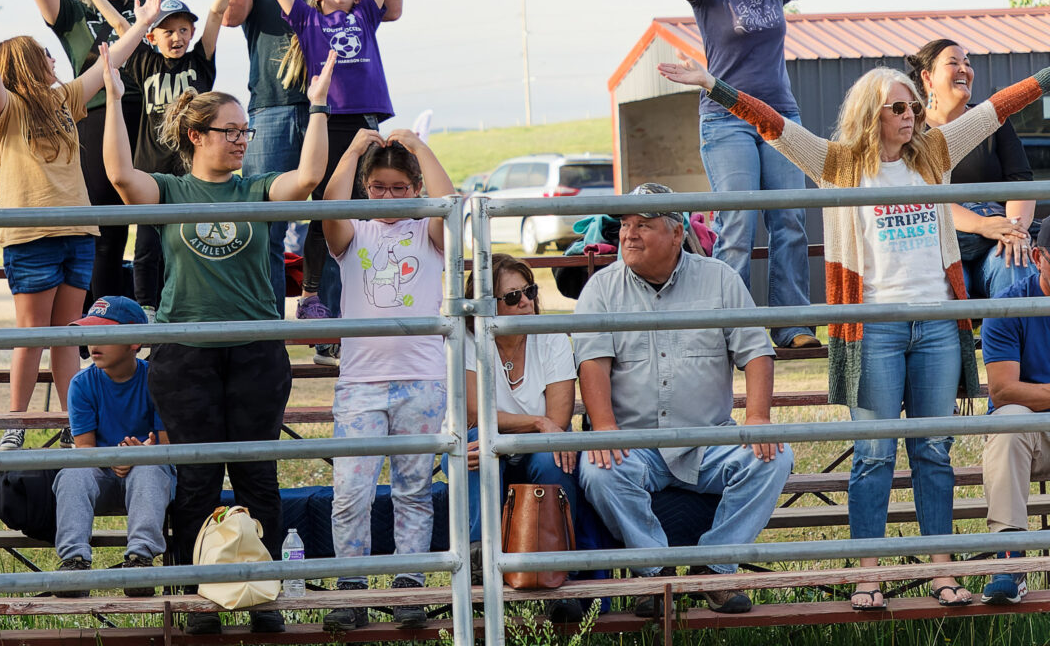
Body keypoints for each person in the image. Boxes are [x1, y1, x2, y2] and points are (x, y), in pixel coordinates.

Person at [657, 54, 1050, 609]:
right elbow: (772, 124)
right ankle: (867, 576)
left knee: (933, 452)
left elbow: (994, 109)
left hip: (937, 325)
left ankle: (942, 571)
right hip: (873, 330)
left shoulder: (934, 152)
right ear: (872, 114)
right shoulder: (838, 163)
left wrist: (1046, 78)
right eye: (898, 107)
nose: (911, 114)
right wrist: (711, 86)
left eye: (913, 105)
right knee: (873, 455)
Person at [102, 42, 338, 637]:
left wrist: (316, 107)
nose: (241, 139)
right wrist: (111, 97)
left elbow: (309, 176)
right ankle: (199, 596)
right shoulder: (172, 192)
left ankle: (260, 594)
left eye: (245, 130)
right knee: (199, 481)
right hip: (186, 358)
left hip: (257, 353)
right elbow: (118, 176)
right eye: (230, 130)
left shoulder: (255, 191)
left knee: (258, 477)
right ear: (196, 136)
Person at [642, 0, 873, 349]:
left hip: (780, 119)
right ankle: (734, 327)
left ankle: (792, 326)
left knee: (789, 218)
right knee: (740, 222)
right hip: (727, 119)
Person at [0, 0, 227, 307]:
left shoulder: (145, 1)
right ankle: (99, 327)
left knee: (158, 229)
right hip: (93, 122)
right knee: (106, 233)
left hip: (147, 126)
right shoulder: (71, 14)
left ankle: (160, 315)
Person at [574, 183, 793, 618]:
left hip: (708, 440)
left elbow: (756, 351)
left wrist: (757, 417)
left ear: (677, 234)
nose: (629, 234)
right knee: (598, 474)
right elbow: (592, 365)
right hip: (634, 442)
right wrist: (604, 428)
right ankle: (652, 574)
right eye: (625, 225)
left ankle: (714, 568)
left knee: (774, 458)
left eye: (644, 225)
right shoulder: (601, 289)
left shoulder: (719, 279)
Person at [0, 0, 154, 447]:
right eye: (45, 53)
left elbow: (108, 65)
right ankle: (15, 423)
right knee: (32, 335)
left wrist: (142, 24)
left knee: (66, 337)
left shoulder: (63, 99)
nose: (53, 58)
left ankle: (71, 421)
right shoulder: (8, 109)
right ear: (25, 62)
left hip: (79, 232)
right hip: (32, 236)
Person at [222, 0, 405, 325]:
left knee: (337, 213)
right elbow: (231, 14)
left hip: (340, 113)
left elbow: (388, 0)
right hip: (274, 106)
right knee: (266, 214)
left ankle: (327, 317)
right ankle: (262, 319)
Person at [318, 129, 451, 633]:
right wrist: (352, 152)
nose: (389, 197)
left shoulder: (430, 232)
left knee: (412, 488)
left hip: (421, 379)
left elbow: (449, 203)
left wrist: (421, 149)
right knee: (350, 490)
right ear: (365, 188)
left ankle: (409, 585)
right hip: (362, 383)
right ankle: (351, 585)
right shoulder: (353, 230)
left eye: (400, 188)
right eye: (378, 187)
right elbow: (329, 207)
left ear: (416, 188)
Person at [443, 253, 602, 625]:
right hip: (481, 439)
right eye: (512, 297)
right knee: (475, 451)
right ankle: (480, 574)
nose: (526, 301)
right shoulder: (466, 339)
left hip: (532, 446)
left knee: (553, 457)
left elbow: (558, 421)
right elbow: (473, 415)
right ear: (487, 306)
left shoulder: (551, 338)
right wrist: (532, 422)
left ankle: (555, 574)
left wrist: (524, 429)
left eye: (528, 291)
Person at [122, 0, 248, 308]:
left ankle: (190, 301)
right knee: (147, 247)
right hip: (150, 170)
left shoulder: (201, 61)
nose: (177, 37)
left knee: (189, 240)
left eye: (182, 29)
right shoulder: (144, 61)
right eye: (168, 31)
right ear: (151, 36)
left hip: (191, 170)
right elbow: (119, 26)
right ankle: (146, 308)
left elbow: (216, 10)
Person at [51, 296, 175, 596]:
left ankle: (139, 562)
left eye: (105, 335)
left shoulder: (155, 378)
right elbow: (86, 450)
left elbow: (166, 443)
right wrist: (115, 459)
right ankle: (74, 562)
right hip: (102, 473)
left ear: (134, 342)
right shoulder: (82, 383)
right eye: (90, 333)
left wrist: (141, 453)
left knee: (147, 469)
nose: (94, 344)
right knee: (72, 473)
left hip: (150, 471)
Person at [909, 39, 1036, 298]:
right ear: (927, 76)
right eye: (953, 63)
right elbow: (919, 196)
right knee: (939, 279)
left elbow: (1020, 180)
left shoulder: (992, 120)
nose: (964, 69)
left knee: (1014, 261)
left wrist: (1014, 230)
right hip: (943, 244)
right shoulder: (911, 130)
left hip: (996, 239)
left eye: (967, 63)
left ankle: (1007, 340)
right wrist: (981, 224)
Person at [980, 221, 1050, 605]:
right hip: (1032, 434)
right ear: (1038, 258)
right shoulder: (1009, 304)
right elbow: (1004, 390)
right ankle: (1010, 560)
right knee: (1008, 423)